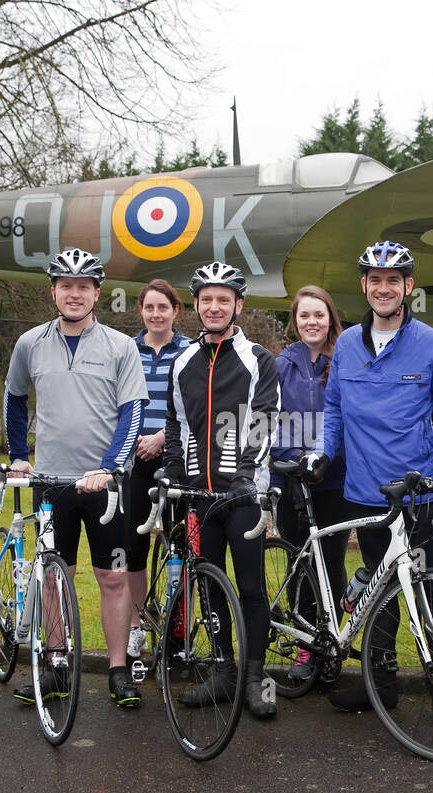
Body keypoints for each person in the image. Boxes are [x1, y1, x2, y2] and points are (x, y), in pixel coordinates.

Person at [308, 240, 433, 724]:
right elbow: (335, 410)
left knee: (432, 591)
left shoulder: (432, 344)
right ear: (364, 286)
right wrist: (323, 453)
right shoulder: (345, 347)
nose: (384, 287)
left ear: (408, 286)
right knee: (380, 597)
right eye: (375, 280)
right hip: (369, 495)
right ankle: (378, 685)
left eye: (393, 280)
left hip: (423, 494)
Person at [4, 247, 148, 708]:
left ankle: (118, 670)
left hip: (105, 486)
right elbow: (13, 398)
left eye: (83, 286)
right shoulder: (30, 343)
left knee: (113, 577)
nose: (73, 293)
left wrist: (107, 468)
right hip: (50, 482)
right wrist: (17, 454)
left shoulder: (121, 347)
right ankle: (57, 666)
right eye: (65, 285)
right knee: (52, 576)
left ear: (96, 294)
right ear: (53, 291)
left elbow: (133, 414)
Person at [162, 261, 280, 718]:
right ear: (195, 305)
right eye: (207, 299)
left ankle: (254, 676)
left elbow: (267, 419)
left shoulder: (257, 360)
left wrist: (246, 475)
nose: (214, 307)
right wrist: (173, 472)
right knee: (209, 585)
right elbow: (175, 424)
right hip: (198, 497)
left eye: (224, 299)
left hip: (244, 496)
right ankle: (224, 671)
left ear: (238, 306)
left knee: (250, 586)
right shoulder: (183, 362)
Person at [270, 286, 349, 679]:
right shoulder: (281, 364)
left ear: (330, 318)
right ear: (295, 321)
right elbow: (269, 423)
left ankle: (332, 644)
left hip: (335, 481)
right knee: (299, 563)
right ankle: (305, 646)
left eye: (319, 315)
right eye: (304, 316)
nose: (312, 322)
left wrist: (326, 456)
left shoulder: (347, 360)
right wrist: (288, 463)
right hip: (293, 484)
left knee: (332, 564)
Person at [124, 279, 192, 658]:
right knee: (133, 550)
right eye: (149, 308)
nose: (156, 314)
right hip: (134, 464)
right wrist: (134, 441)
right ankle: (136, 626)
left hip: (175, 461)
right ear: (142, 311)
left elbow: (193, 408)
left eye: (162, 307)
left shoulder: (189, 351)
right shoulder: (127, 350)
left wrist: (161, 438)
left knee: (181, 548)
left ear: (175, 311)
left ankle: (179, 631)